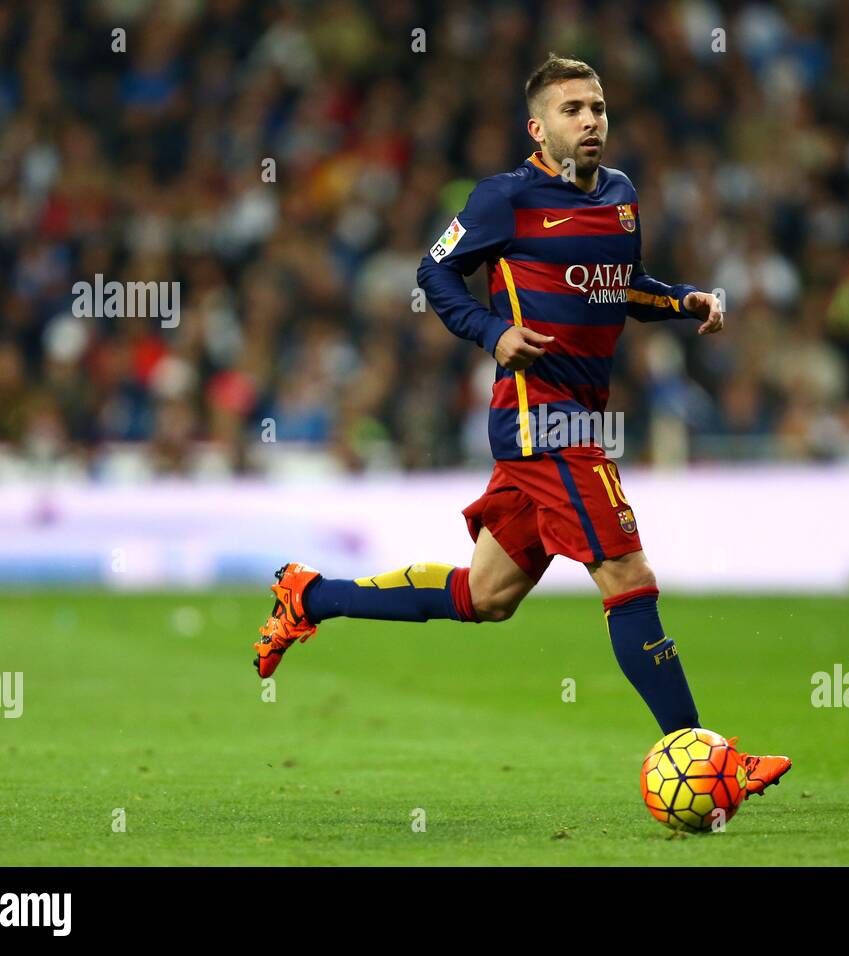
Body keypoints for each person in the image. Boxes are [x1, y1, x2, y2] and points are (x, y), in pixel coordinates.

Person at [252, 54, 790, 797]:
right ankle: (702, 756)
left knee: (487, 596)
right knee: (628, 576)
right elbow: (434, 272)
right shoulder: (503, 199)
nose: (591, 120)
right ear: (539, 127)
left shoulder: (623, 197)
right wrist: (490, 332)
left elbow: (618, 287)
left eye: (598, 106)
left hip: (578, 417)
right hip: (543, 420)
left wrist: (681, 300)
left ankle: (309, 597)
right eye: (573, 109)